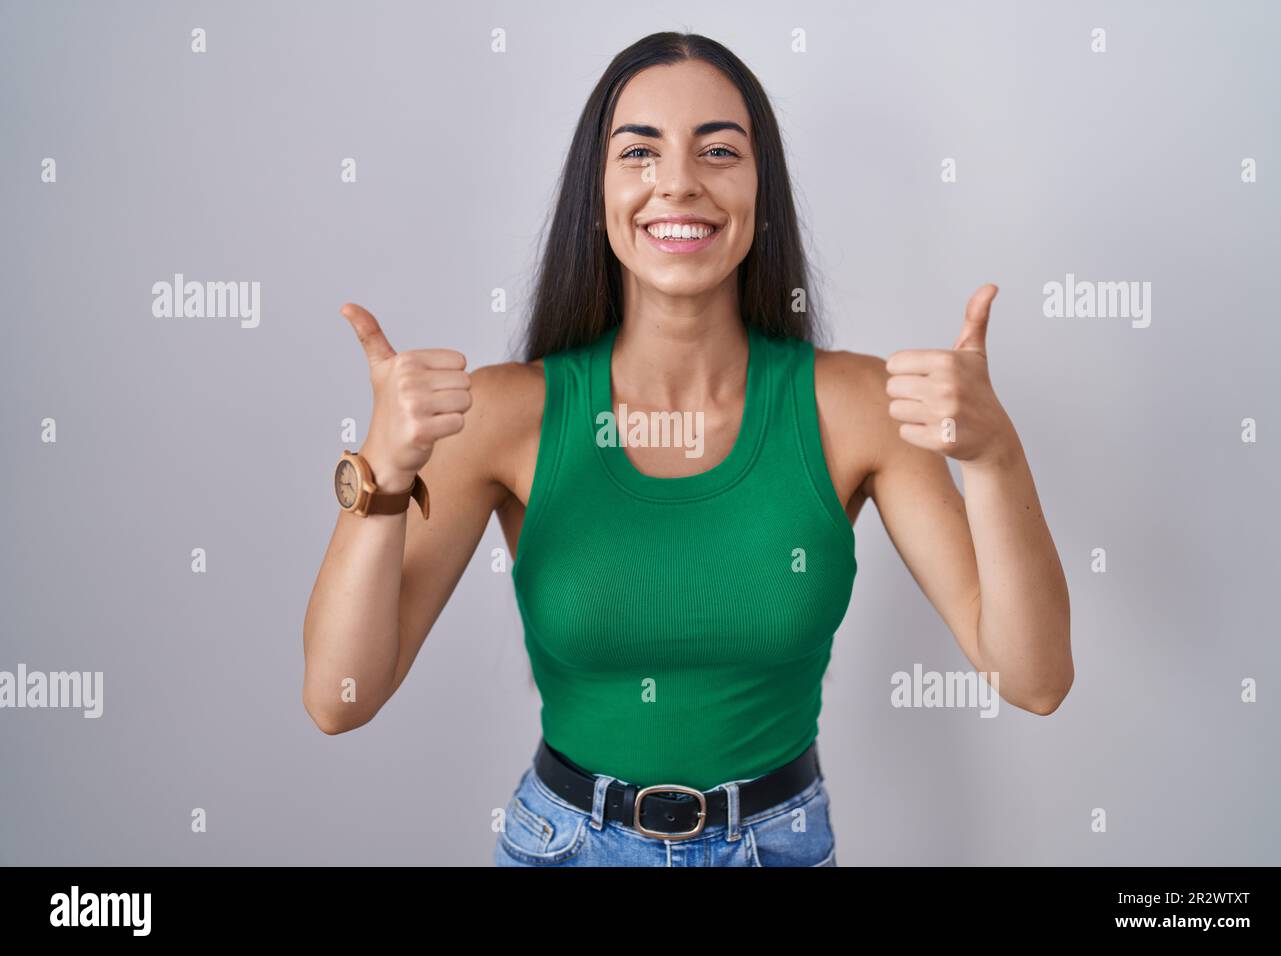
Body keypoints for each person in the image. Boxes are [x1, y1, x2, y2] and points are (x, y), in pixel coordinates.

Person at [302, 31, 1073, 867]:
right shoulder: (504, 413)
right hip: (565, 846)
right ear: (595, 192)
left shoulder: (856, 406)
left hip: (777, 846)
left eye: (718, 150)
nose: (678, 182)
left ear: (759, 189)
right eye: (639, 151)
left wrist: (996, 457)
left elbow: (1033, 680)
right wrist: (381, 468)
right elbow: (341, 698)